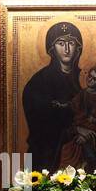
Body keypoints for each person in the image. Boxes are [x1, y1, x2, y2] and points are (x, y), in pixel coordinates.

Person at [21, 21, 83, 171]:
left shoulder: (85, 78)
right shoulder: (39, 81)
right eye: (61, 43)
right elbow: (40, 121)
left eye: (71, 43)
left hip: (81, 152)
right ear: (52, 48)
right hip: (49, 154)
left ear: (78, 47)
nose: (66, 49)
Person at [55, 64, 96, 172]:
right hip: (78, 127)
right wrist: (63, 106)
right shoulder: (83, 92)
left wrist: (88, 134)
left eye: (95, 79)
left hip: (91, 131)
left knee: (88, 157)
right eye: (89, 76)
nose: (90, 80)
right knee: (66, 150)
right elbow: (73, 104)